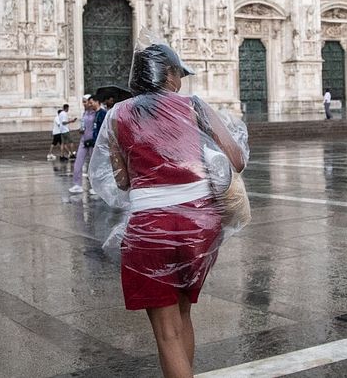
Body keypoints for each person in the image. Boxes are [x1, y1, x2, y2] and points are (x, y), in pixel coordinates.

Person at [91, 41, 248, 378]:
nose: (180, 82)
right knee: (182, 315)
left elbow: (121, 182)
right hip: (201, 227)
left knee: (166, 332)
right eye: (179, 74)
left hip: (150, 229)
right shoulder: (194, 106)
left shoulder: (118, 115)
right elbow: (236, 159)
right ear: (170, 74)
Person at [70, 96, 98, 193]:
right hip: (83, 140)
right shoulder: (84, 113)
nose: (84, 104)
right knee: (78, 162)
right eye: (83, 102)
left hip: (92, 141)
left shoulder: (96, 113)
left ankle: (95, 186)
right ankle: (77, 184)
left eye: (86, 102)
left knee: (94, 165)